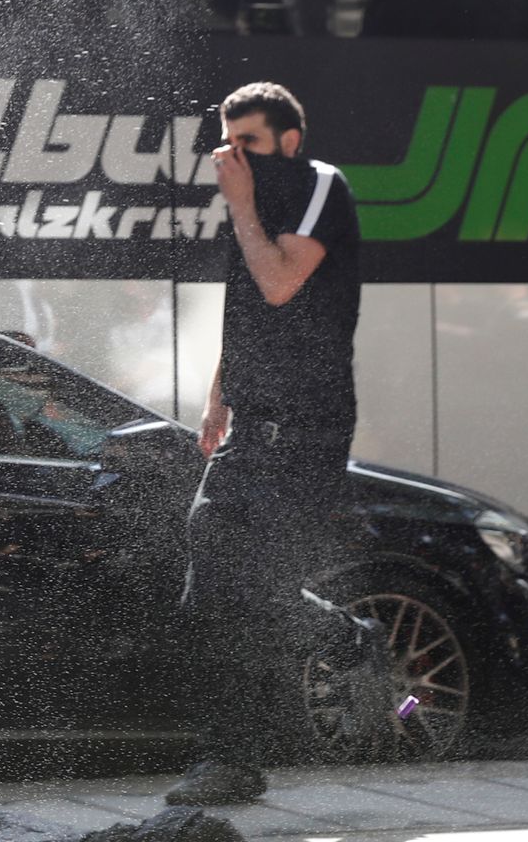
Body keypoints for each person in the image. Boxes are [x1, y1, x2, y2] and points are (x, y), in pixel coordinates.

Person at [162, 83, 385, 807]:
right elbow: (247, 312)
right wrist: (217, 398)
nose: (233, 158)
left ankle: (238, 755)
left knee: (254, 596)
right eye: (226, 144)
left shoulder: (320, 185)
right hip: (247, 432)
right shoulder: (252, 206)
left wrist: (240, 206)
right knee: (209, 594)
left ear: (289, 140)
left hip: (307, 435)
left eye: (249, 144)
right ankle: (231, 750)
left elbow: (282, 281)